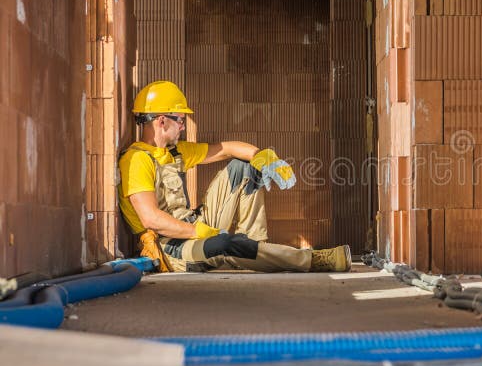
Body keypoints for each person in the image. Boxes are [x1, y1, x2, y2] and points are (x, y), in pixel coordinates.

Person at [117, 80, 351, 273]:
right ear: (161, 120)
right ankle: (312, 260)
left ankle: (255, 246)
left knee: (246, 166)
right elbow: (151, 219)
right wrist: (199, 232)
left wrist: (265, 158)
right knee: (225, 246)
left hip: (195, 226)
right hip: (173, 248)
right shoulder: (137, 160)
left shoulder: (173, 152)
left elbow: (228, 148)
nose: (183, 127)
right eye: (180, 119)